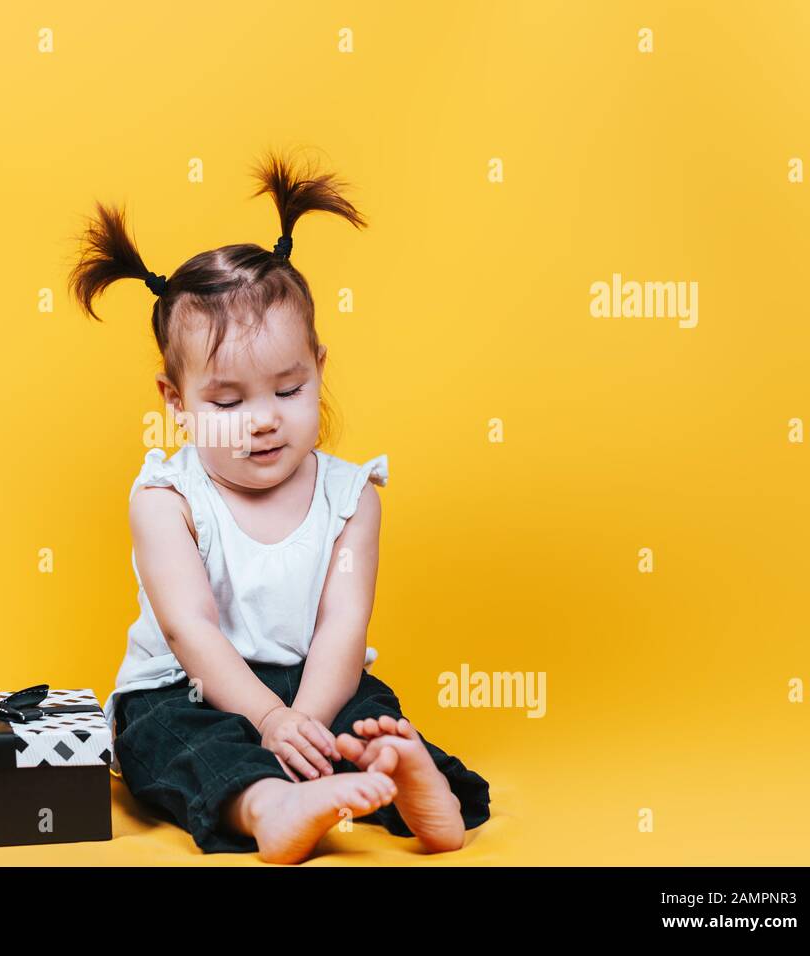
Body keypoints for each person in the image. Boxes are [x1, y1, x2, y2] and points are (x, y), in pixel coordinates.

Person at [69, 148, 491, 863]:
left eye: (288, 391)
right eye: (229, 401)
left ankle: (420, 783)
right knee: (171, 742)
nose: (263, 420)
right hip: (192, 686)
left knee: (372, 718)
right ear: (177, 402)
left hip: (316, 684)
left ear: (318, 368)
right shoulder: (167, 500)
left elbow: (341, 628)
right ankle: (273, 805)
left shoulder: (350, 496)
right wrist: (266, 717)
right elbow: (191, 632)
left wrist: (306, 720)